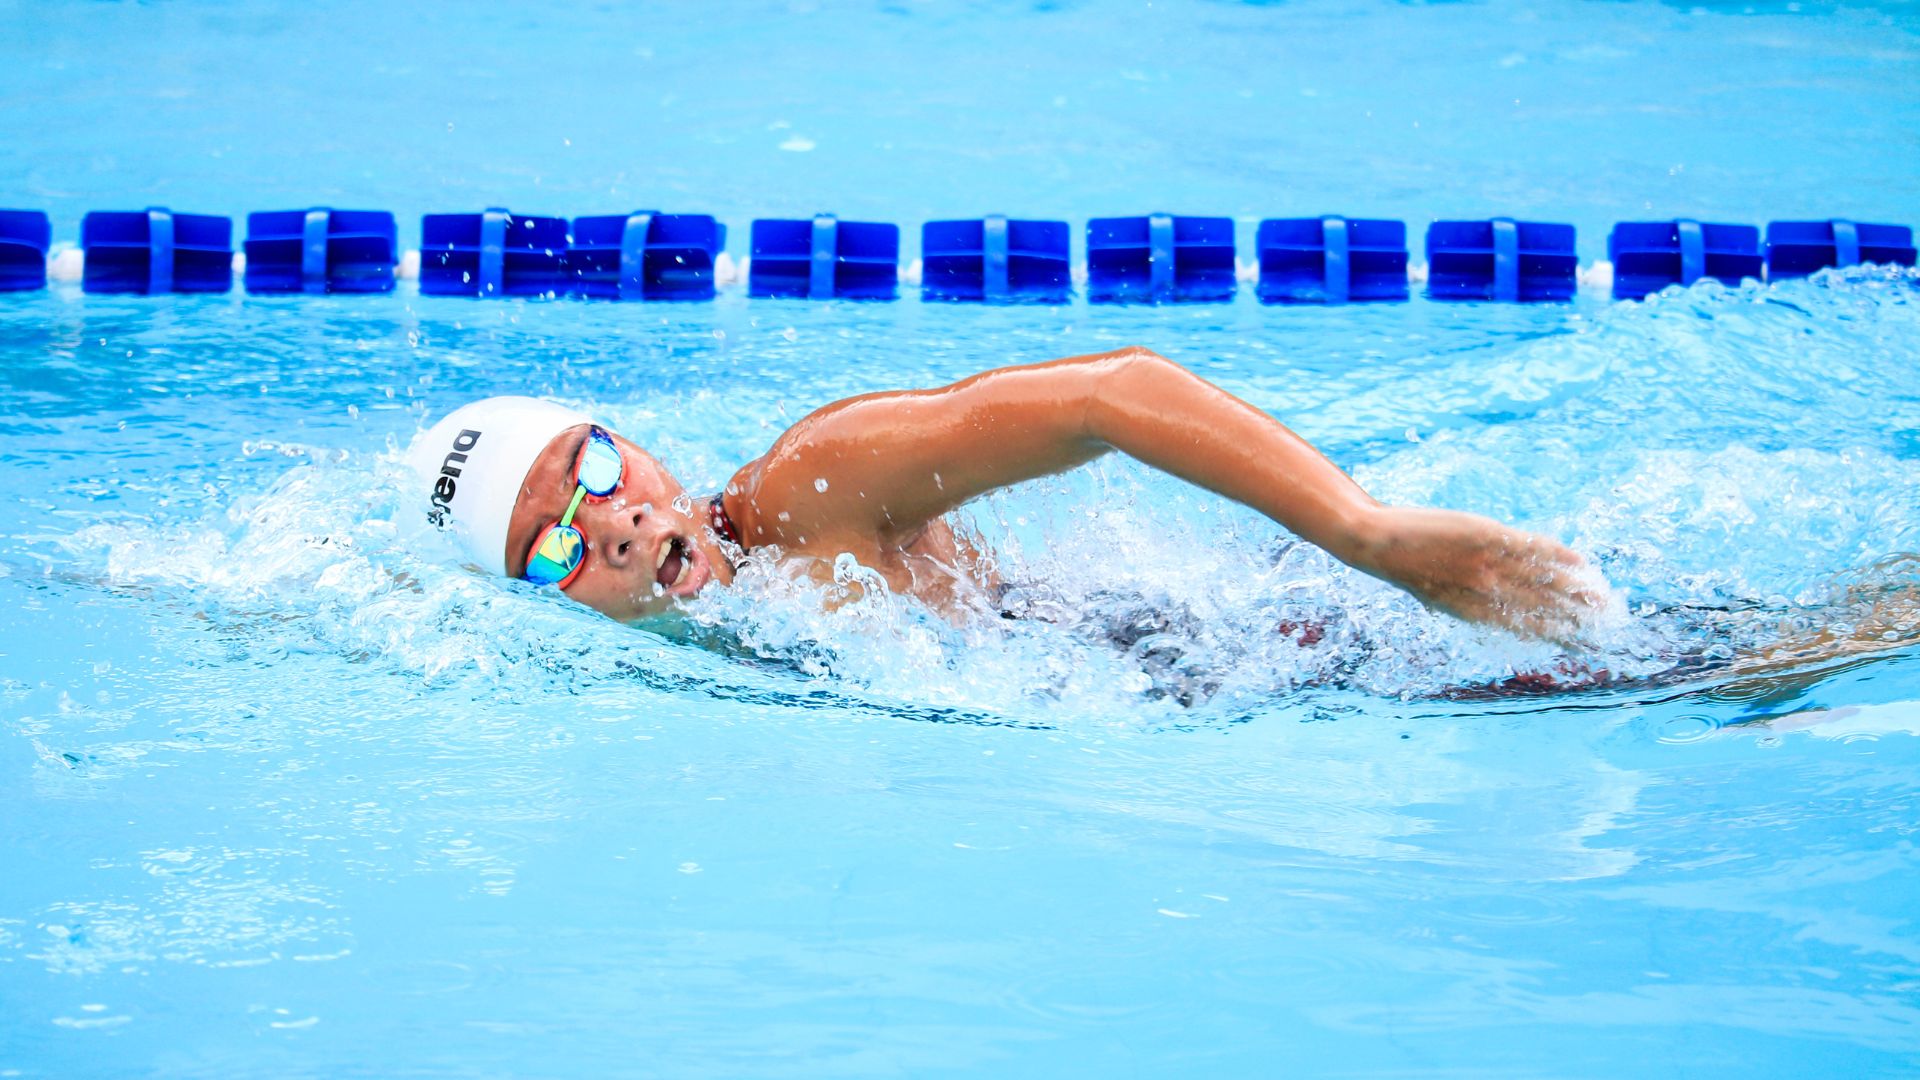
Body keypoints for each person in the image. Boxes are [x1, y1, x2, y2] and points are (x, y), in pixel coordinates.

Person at [408, 347, 1607, 647]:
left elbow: (1112, 393)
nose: (609, 523)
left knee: (1656, 659)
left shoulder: (810, 488)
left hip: (1221, 651)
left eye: (599, 472)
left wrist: (1370, 537)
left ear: (646, 457)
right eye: (552, 542)